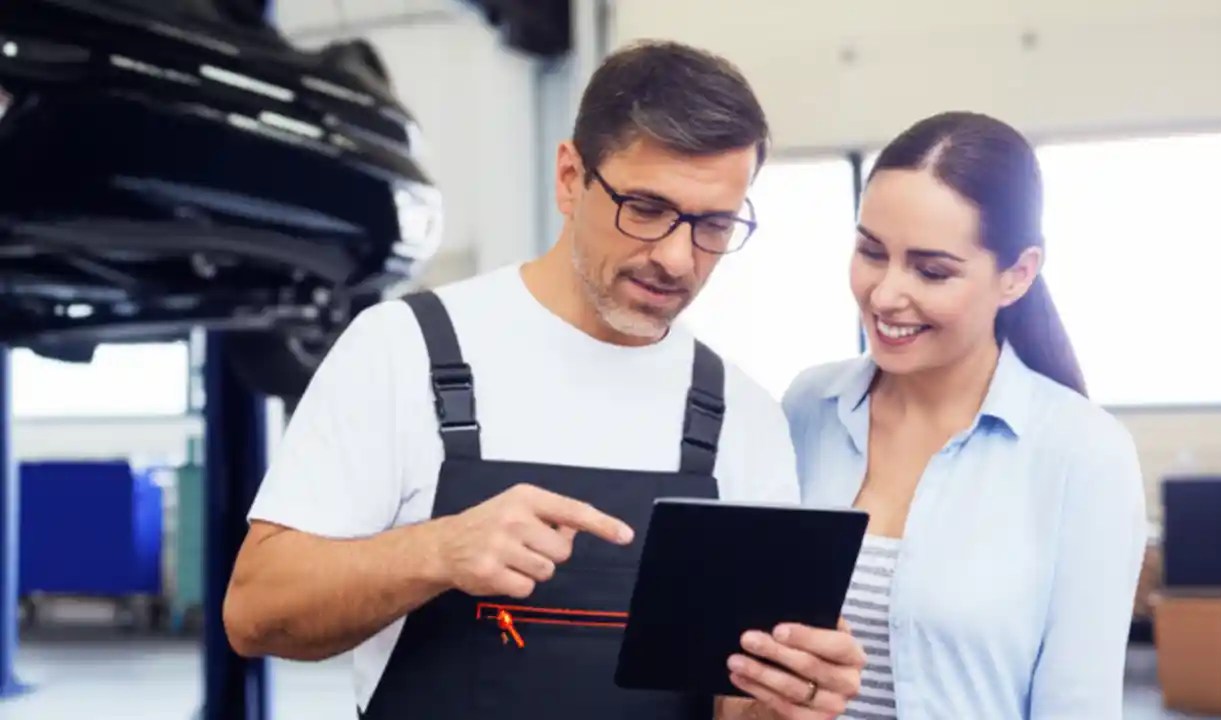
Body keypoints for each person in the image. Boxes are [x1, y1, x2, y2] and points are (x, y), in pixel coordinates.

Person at [222, 40, 866, 720]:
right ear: (569, 178)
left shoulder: (743, 414)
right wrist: (437, 551)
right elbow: (256, 612)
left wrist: (790, 697)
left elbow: (731, 706)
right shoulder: (402, 350)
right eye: (646, 208)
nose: (678, 258)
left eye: (714, 225)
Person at [782, 111, 1147, 719]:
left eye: (931, 271)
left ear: (1018, 275)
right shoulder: (807, 408)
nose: (885, 294)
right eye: (871, 252)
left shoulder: (1084, 453)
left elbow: (1077, 705)